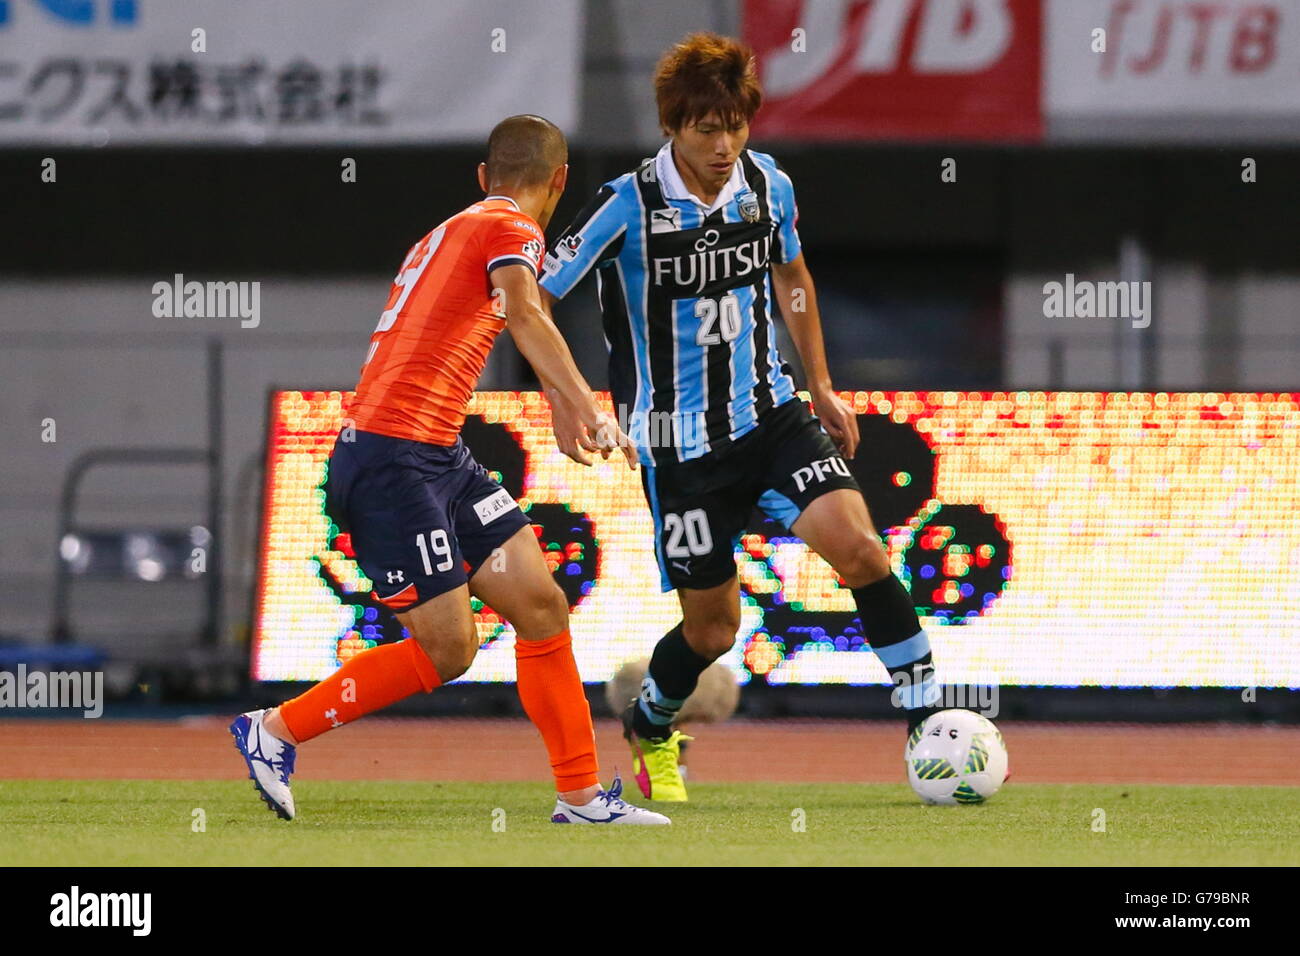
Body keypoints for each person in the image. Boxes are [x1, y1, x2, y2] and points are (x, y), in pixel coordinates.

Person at [230, 114, 669, 825]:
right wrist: (585, 401)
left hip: (438, 455)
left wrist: (559, 402)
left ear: (482, 175)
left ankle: (582, 796)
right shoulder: (514, 229)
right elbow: (526, 314)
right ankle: (274, 730)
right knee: (449, 649)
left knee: (540, 603)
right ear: (559, 182)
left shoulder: (447, 229)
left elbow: (506, 316)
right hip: (392, 461)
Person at [538, 34, 941, 801]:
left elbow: (792, 274)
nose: (724, 146)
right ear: (671, 127)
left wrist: (819, 382)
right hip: (678, 447)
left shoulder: (769, 186)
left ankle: (930, 723)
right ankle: (653, 723)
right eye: (705, 130)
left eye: (735, 126)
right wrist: (568, 395)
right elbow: (534, 295)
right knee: (714, 630)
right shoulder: (626, 204)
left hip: (771, 415)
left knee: (859, 546)